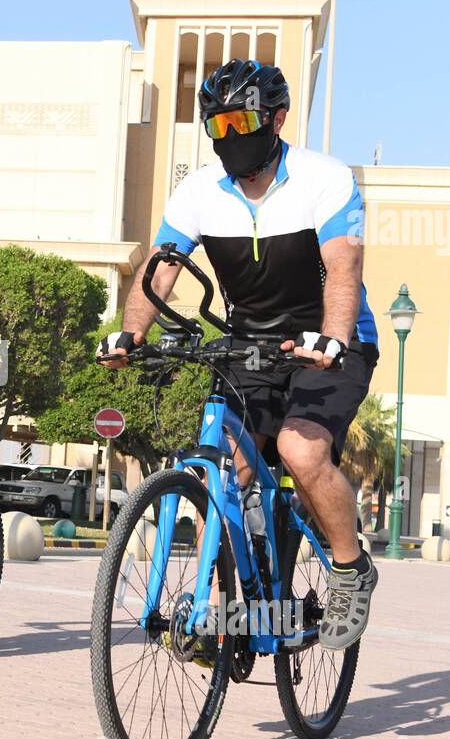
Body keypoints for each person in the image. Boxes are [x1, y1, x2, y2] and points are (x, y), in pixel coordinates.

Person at [101, 58, 379, 650]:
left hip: (330, 341)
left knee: (300, 450)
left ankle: (351, 569)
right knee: (226, 465)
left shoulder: (322, 178)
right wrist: (131, 334)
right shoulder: (200, 190)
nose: (229, 137)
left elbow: (342, 267)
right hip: (248, 343)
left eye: (242, 122)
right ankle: (229, 612)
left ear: (276, 120)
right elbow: (160, 267)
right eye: (217, 125)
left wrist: (330, 339)